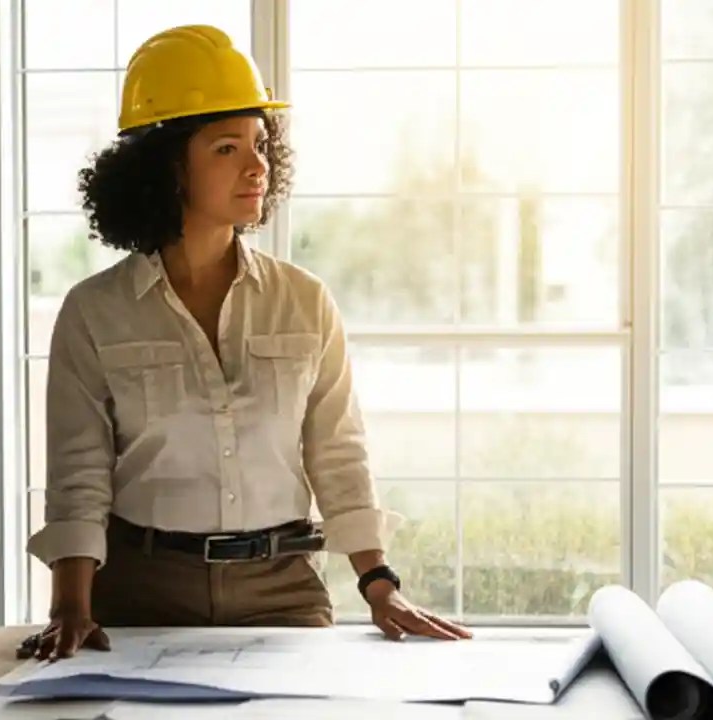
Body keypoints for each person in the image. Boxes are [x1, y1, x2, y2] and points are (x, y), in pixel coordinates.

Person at [24, 24, 473, 661]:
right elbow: (78, 476)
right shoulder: (92, 313)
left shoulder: (306, 300)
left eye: (261, 145)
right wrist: (70, 607)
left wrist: (379, 584)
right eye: (227, 148)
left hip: (284, 588)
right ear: (167, 166)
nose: (257, 166)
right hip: (141, 590)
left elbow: (338, 456)